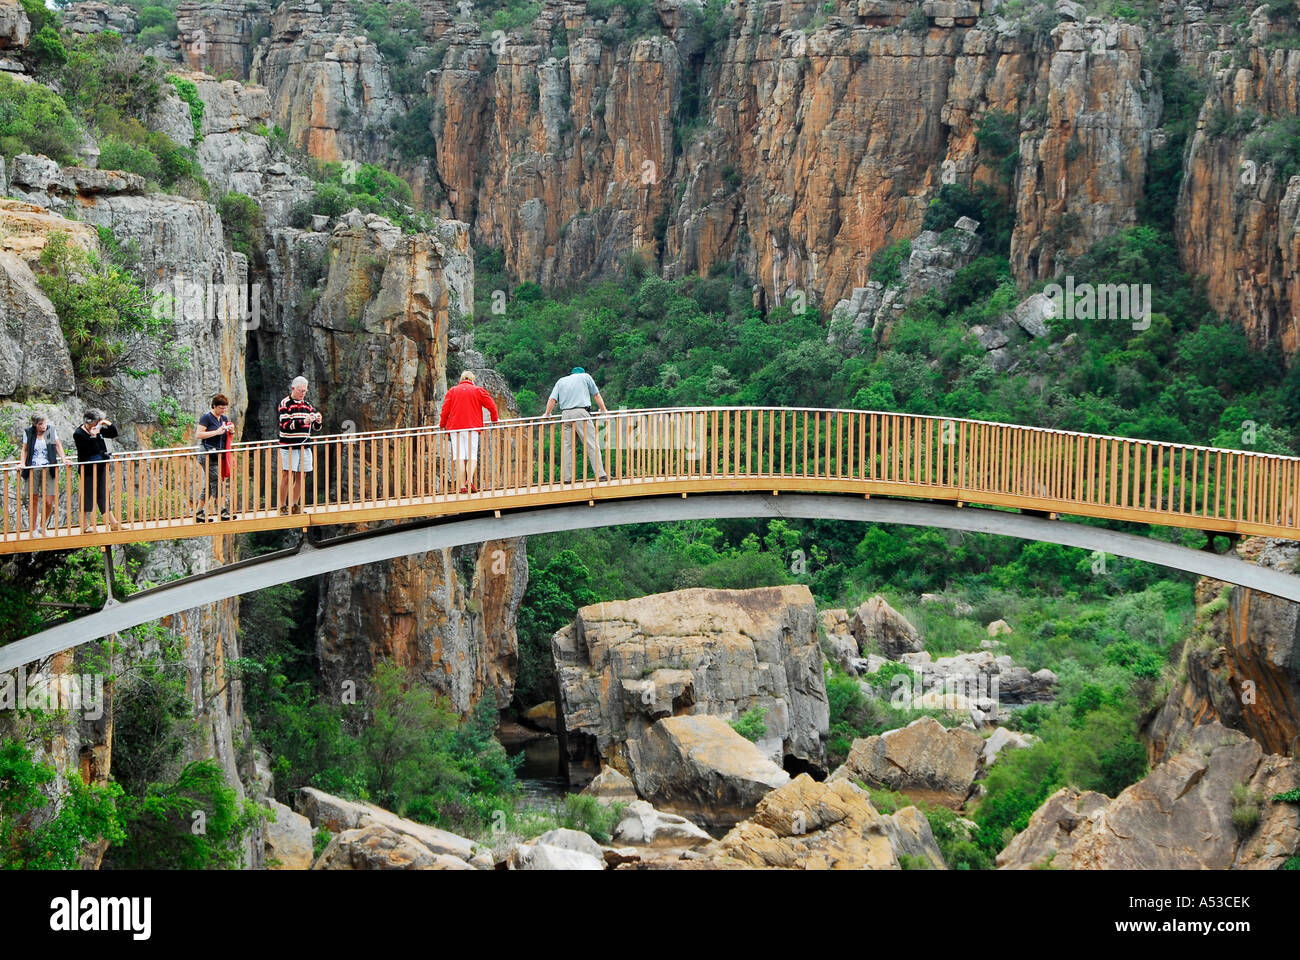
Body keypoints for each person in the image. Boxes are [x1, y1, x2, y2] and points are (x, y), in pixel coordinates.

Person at [543, 366, 609, 483]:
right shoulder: (585, 376)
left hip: (565, 416)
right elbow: (596, 395)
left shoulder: (561, 381)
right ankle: (600, 475)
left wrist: (547, 414)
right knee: (591, 444)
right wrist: (603, 410)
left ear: (571, 374)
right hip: (581, 413)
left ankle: (567, 478)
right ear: (582, 373)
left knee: (567, 447)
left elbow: (552, 399)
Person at [438, 370, 500, 493]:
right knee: (471, 456)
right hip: (472, 428)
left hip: (456, 428)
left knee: (459, 456)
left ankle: (461, 485)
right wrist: (494, 419)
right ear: (472, 380)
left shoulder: (453, 391)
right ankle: (470, 480)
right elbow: (492, 406)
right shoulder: (478, 390)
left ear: (461, 380)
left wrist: (442, 424)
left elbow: (445, 410)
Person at [19, 414, 69, 537]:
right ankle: (33, 528)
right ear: (35, 425)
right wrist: (22, 462)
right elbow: (24, 449)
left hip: (49, 467)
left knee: (48, 500)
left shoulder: (50, 431)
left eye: (45, 423)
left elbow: (58, 445)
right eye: (41, 424)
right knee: (33, 499)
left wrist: (64, 459)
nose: (44, 426)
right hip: (33, 467)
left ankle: (42, 525)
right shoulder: (29, 432)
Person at [277, 375, 322, 515]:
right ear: (293, 388)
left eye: (305, 391)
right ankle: (283, 506)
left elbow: (315, 428)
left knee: (301, 475)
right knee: (287, 474)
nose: (303, 393)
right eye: (300, 390)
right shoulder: (285, 404)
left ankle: (294, 505)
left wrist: (317, 421)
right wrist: (304, 421)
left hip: (304, 446)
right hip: (289, 445)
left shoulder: (307, 406)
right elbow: (285, 425)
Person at [73, 409, 121, 532]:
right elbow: (89, 450)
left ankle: (113, 523)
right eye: (96, 422)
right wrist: (94, 436)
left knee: (104, 494)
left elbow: (114, 433)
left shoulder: (99, 429)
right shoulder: (79, 433)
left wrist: (106, 423)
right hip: (87, 469)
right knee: (87, 496)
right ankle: (84, 525)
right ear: (89, 422)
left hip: (101, 466)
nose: (98, 425)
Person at [194, 394, 236, 522]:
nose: (223, 411)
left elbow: (227, 438)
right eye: (220, 408)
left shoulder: (223, 418)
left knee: (210, 484)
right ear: (214, 406)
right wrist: (216, 432)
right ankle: (222, 510)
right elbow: (199, 435)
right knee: (217, 482)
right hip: (207, 454)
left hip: (218, 454)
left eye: (224, 408)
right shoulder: (206, 417)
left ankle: (199, 513)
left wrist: (231, 431)